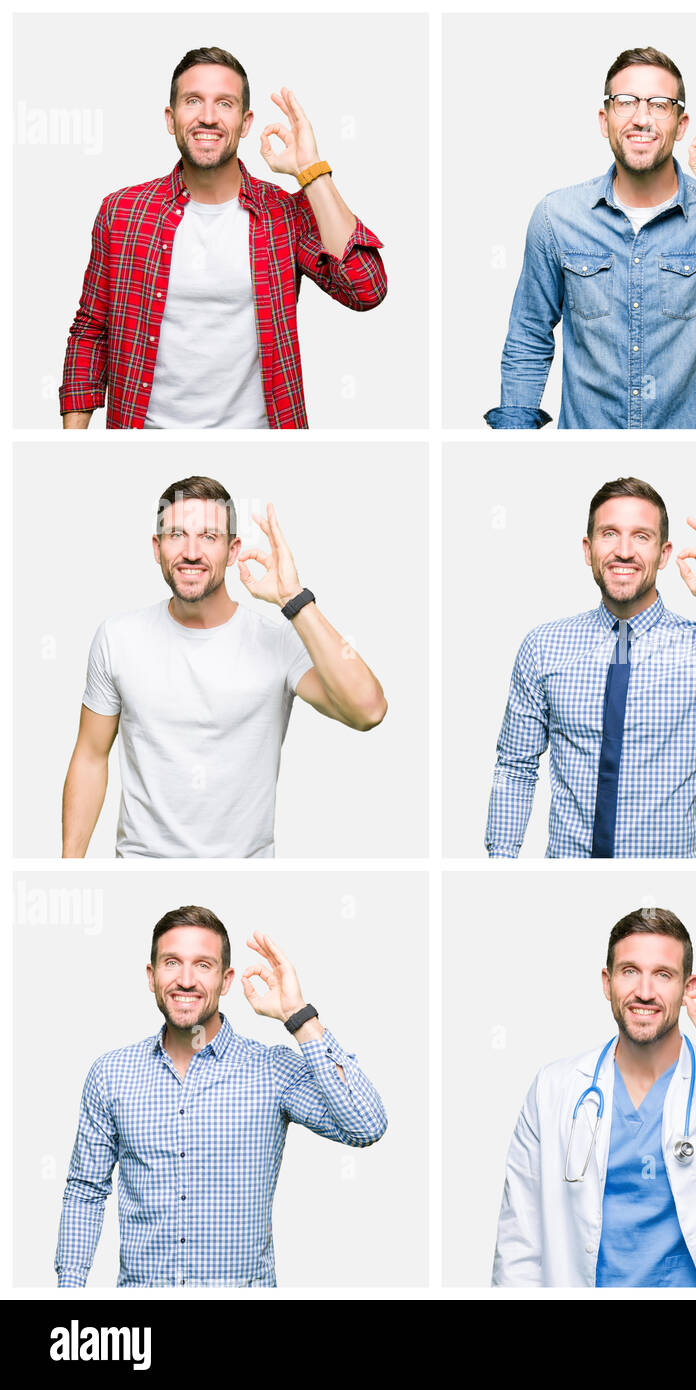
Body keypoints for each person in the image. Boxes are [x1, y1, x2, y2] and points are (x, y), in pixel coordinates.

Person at [485, 46, 696, 430]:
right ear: (604, 119)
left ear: (681, 124)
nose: (642, 118)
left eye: (660, 104)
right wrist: (514, 443)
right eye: (625, 102)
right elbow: (528, 336)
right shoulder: (556, 217)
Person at [54, 907, 387, 1287]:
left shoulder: (270, 1070)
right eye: (171, 962)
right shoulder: (110, 1074)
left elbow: (366, 1125)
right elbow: (85, 1190)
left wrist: (297, 1014)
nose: (185, 980)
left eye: (203, 965)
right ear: (151, 976)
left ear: (226, 980)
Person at [486, 477, 696, 857]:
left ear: (664, 553)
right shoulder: (543, 646)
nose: (624, 551)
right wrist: (501, 866)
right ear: (587, 549)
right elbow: (514, 767)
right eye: (610, 534)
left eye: (642, 536)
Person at [59, 46, 385, 430]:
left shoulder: (283, 213)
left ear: (246, 123)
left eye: (225, 104)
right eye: (193, 100)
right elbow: (91, 330)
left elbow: (366, 290)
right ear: (171, 117)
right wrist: (73, 449)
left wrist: (311, 171)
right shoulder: (123, 212)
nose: (208, 117)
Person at [62, 475, 388, 858]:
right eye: (177, 534)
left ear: (233, 551)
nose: (192, 552)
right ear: (157, 547)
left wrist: (295, 600)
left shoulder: (278, 640)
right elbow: (89, 756)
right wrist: (71, 867)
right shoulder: (117, 637)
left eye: (209, 537)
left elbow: (368, 710)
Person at [492, 907, 696, 1287]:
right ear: (606, 982)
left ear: (687, 988)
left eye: (663, 975)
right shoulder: (554, 1088)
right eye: (630, 971)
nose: (644, 991)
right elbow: (519, 1244)